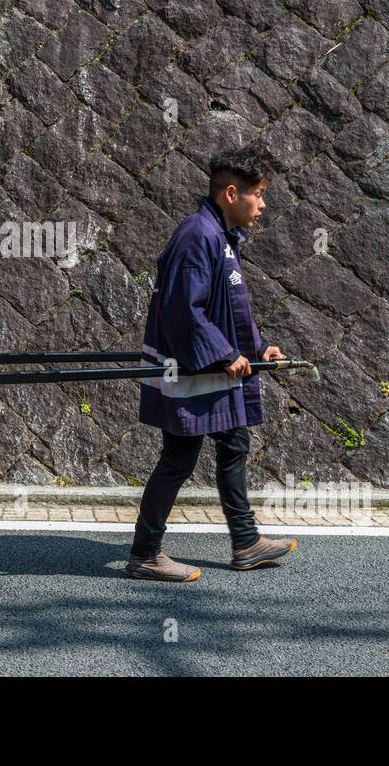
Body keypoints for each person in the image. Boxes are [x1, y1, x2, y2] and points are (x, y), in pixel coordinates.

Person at [127, 144, 298, 582]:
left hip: (208, 365)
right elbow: (184, 309)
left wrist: (257, 349)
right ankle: (145, 552)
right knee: (179, 458)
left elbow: (231, 305)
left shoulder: (220, 236)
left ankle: (245, 541)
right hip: (189, 366)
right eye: (257, 194)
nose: (262, 204)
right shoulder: (198, 236)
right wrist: (223, 354)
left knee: (234, 443)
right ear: (230, 194)